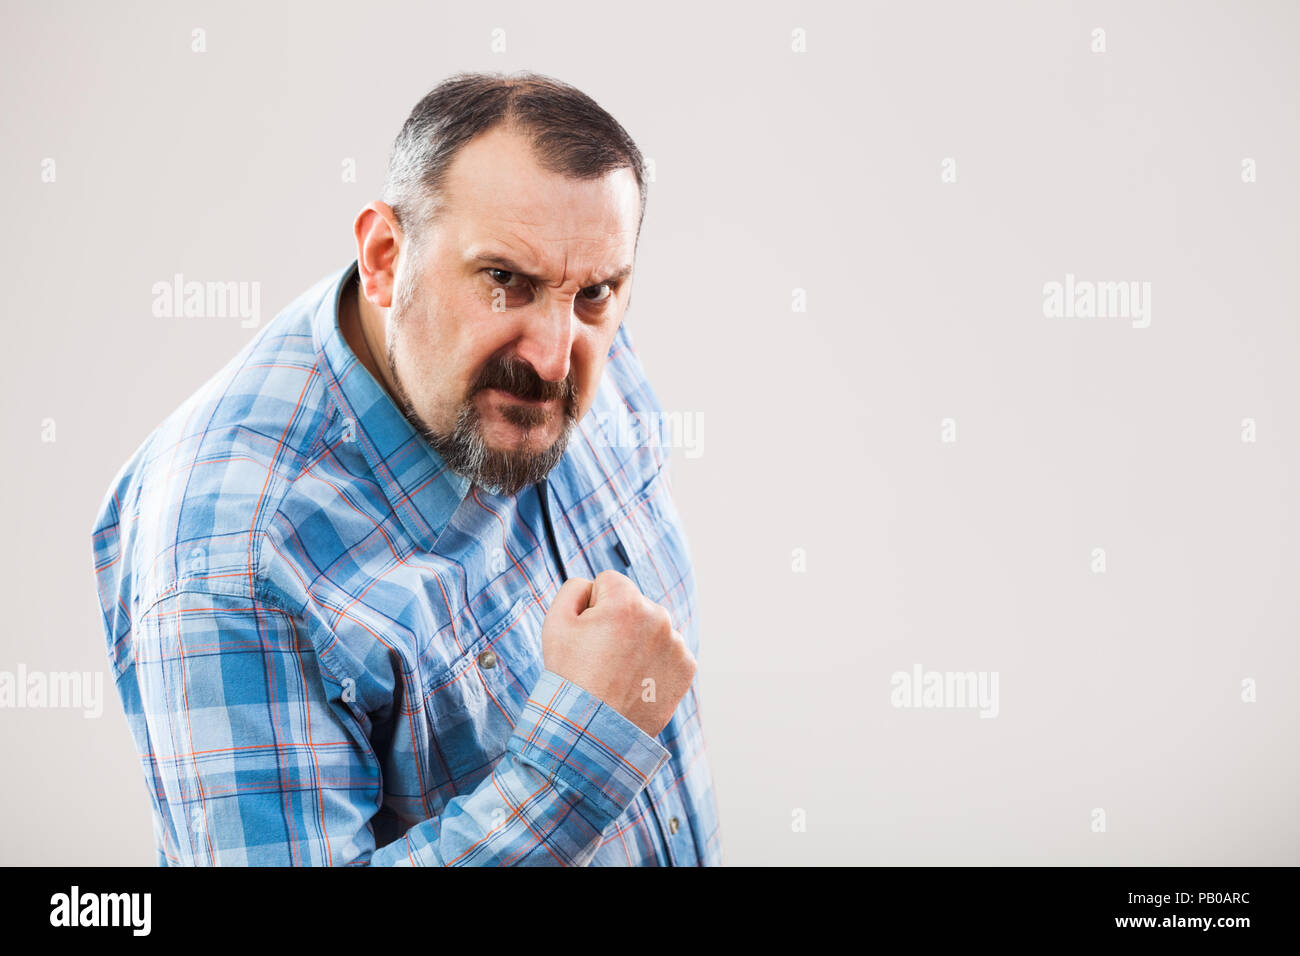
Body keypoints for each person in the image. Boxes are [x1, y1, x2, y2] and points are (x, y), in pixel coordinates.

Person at [90, 71, 721, 866]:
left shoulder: (569, 327)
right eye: (504, 282)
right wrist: (582, 756)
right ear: (386, 258)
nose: (555, 358)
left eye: (596, 291)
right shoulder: (231, 555)